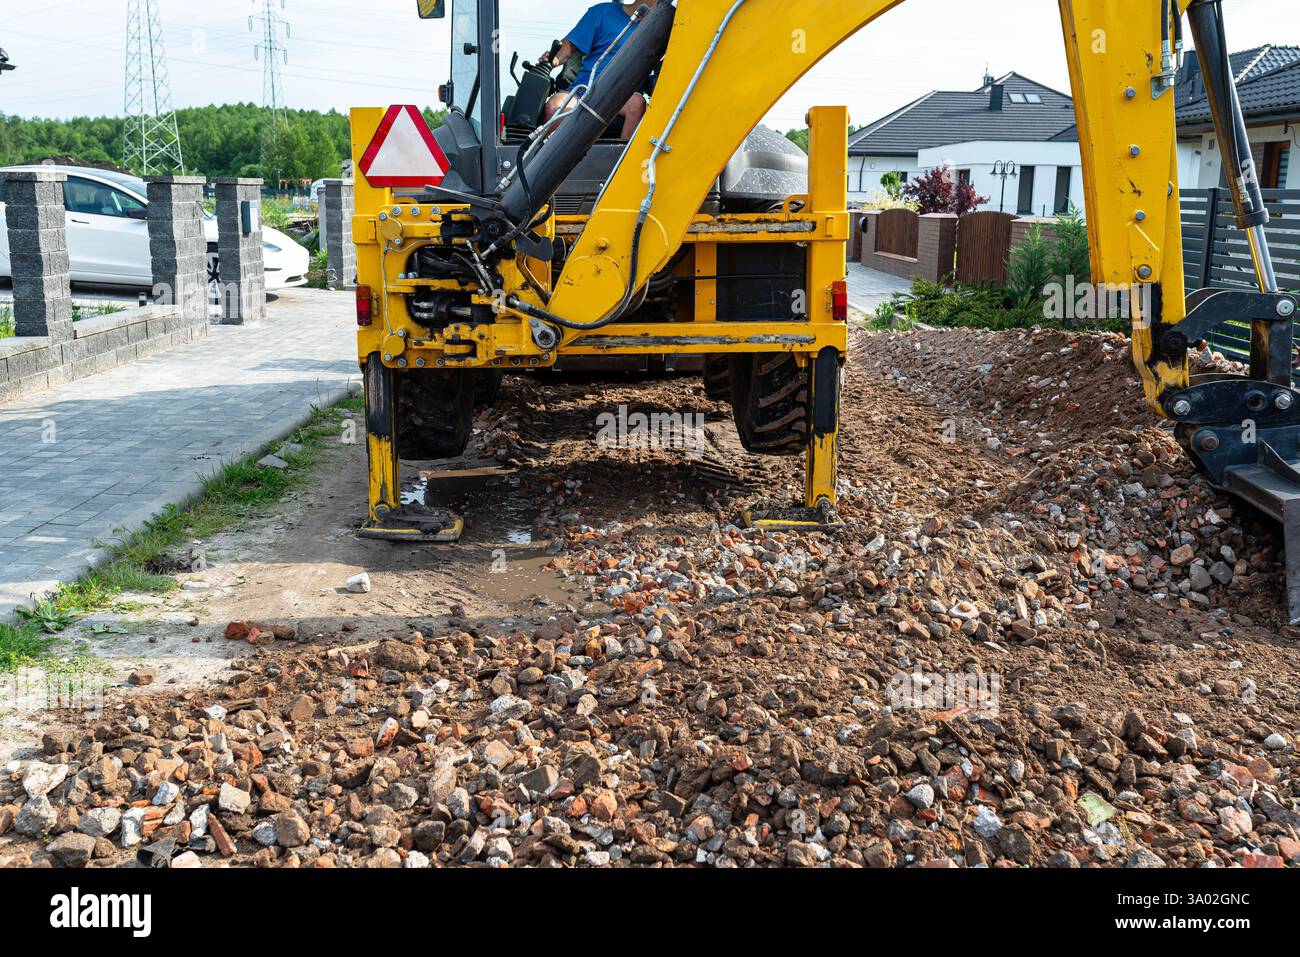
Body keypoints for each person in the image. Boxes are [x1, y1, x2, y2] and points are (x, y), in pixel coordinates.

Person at [539, 0, 658, 140]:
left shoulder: (663, 29)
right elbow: (570, 45)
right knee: (554, 107)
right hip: (584, 90)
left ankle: (621, 158)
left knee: (637, 105)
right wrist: (554, 59)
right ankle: (534, 156)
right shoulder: (602, 12)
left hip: (622, 94)